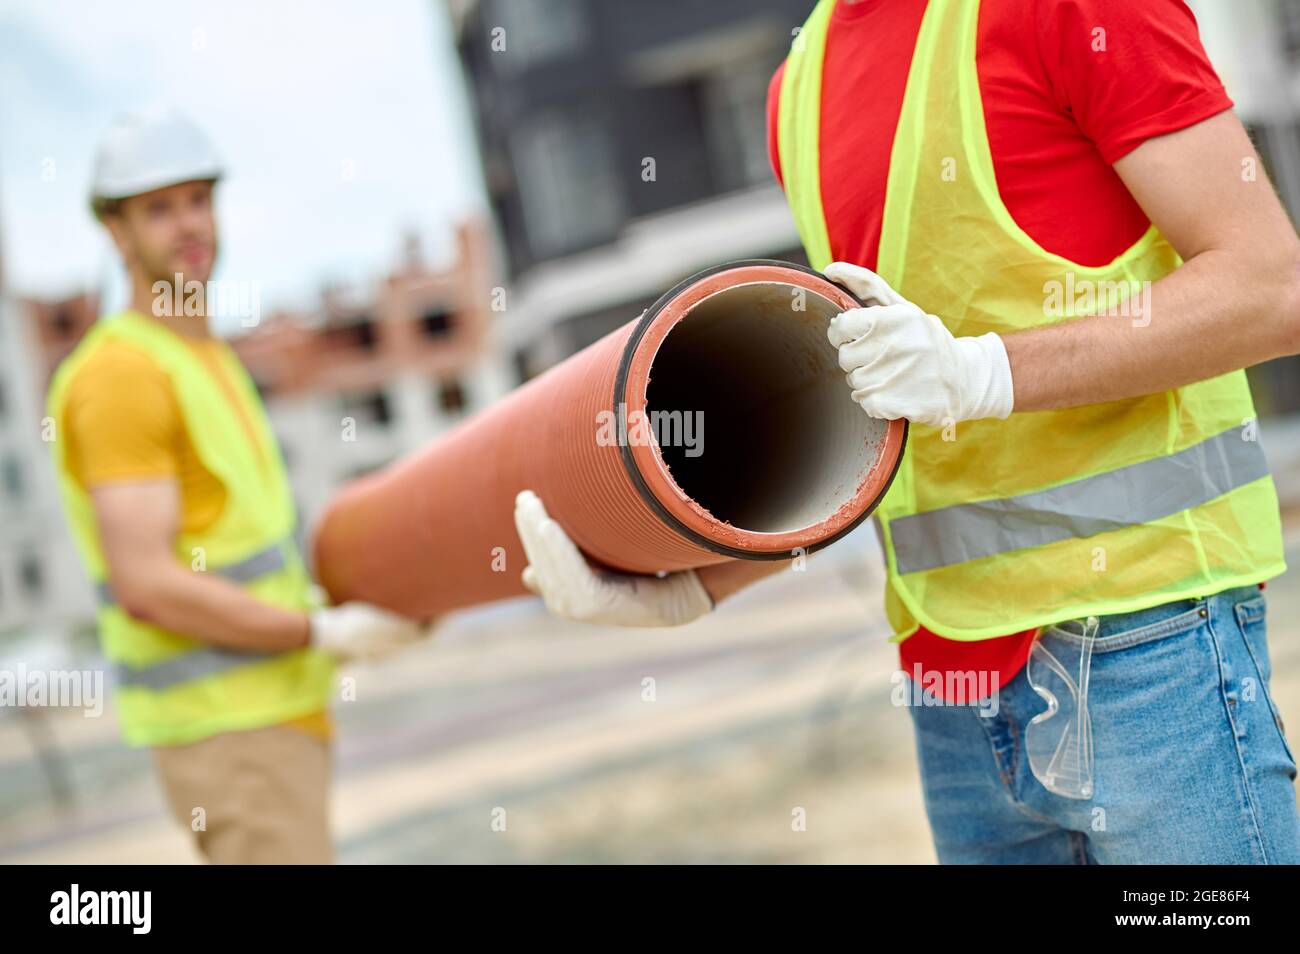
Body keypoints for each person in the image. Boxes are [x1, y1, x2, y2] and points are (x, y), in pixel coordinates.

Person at [513, 0, 1300, 864]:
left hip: (1151, 649)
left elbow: (1270, 289)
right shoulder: (796, 89)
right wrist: (699, 581)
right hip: (949, 688)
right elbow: (885, 397)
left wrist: (981, 374)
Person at [46, 108, 434, 864]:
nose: (188, 224)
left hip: (277, 712)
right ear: (116, 232)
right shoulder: (121, 374)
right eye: (158, 208)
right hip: (227, 730)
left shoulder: (205, 357)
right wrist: (315, 633)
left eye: (199, 199)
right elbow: (148, 584)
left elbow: (249, 548)